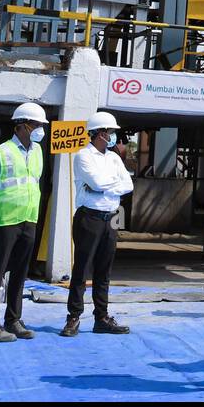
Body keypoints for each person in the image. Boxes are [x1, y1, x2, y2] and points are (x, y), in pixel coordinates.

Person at [60, 111, 134, 337]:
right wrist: (110, 185)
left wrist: (105, 187)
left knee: (104, 269)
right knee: (82, 268)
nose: (113, 137)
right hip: (89, 217)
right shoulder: (83, 156)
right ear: (101, 133)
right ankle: (73, 317)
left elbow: (128, 184)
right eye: (111, 132)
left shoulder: (113, 158)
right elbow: (97, 181)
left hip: (111, 216)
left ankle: (101, 317)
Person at [0, 102, 48, 343]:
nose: (41, 129)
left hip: (29, 218)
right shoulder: (2, 151)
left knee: (20, 272)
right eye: (37, 125)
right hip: (6, 220)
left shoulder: (38, 151)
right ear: (22, 126)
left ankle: (13, 320)